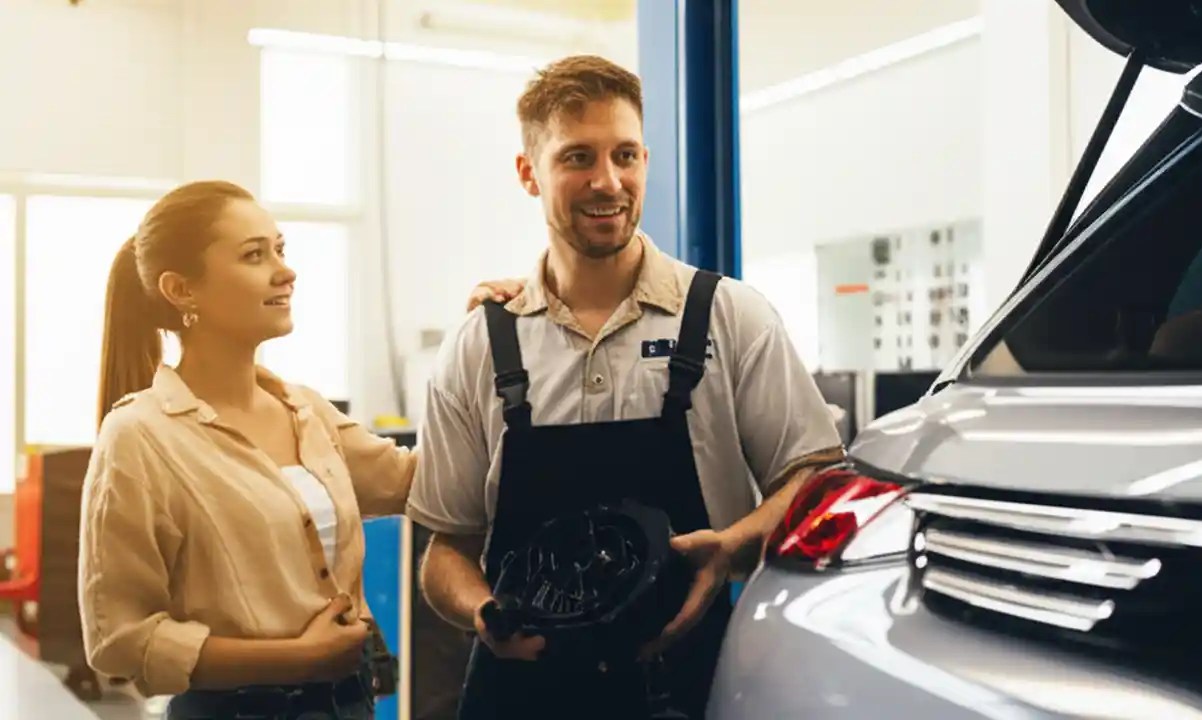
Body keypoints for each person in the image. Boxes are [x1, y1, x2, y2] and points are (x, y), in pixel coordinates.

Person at [408, 55, 845, 719]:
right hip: (524, 698)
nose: (607, 181)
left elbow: (816, 476)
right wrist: (483, 610)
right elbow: (446, 551)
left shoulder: (730, 317)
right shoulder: (478, 347)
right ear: (529, 173)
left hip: (697, 685)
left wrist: (732, 549)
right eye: (577, 157)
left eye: (626, 154)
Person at [77, 180, 521, 720]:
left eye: (280, 249)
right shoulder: (140, 436)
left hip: (347, 704)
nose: (285, 270)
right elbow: (121, 642)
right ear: (181, 289)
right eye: (253, 255)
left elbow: (424, 481)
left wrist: (487, 345)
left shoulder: (304, 411)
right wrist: (292, 659)